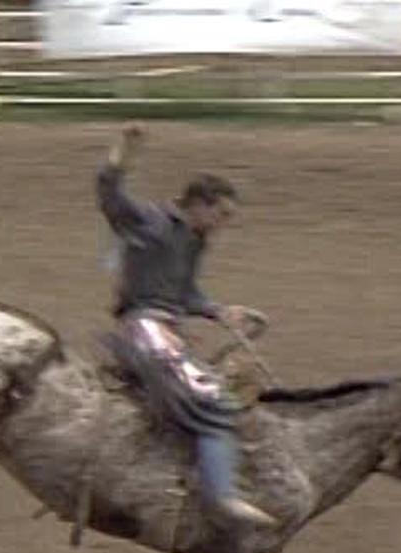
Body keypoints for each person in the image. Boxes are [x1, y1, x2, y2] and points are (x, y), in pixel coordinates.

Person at [96, 123, 276, 529]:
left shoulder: (194, 241)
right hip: (143, 327)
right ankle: (221, 498)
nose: (223, 224)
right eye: (222, 214)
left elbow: (185, 291)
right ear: (199, 204)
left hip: (166, 328)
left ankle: (202, 480)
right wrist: (123, 154)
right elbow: (110, 196)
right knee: (212, 396)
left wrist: (218, 311)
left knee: (223, 392)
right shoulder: (151, 222)